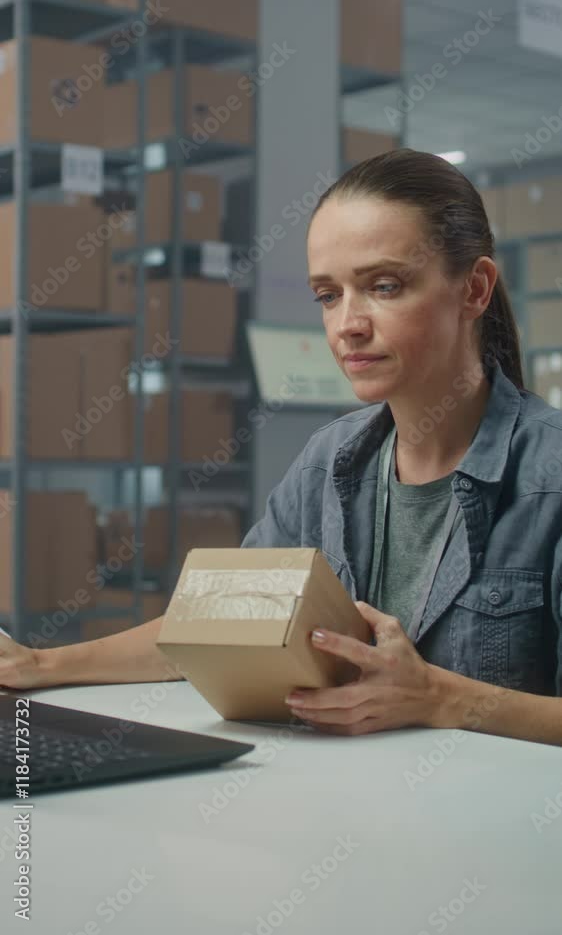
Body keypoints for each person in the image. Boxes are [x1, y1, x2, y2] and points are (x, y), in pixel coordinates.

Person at [1, 150, 561, 746]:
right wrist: (40, 667)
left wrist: (440, 699)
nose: (348, 323)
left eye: (384, 286)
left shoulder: (547, 475)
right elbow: (215, 627)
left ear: (474, 289)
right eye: (328, 295)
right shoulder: (330, 463)